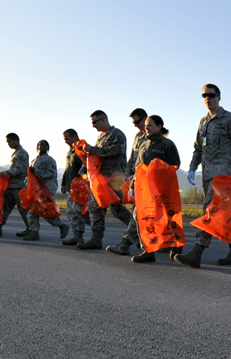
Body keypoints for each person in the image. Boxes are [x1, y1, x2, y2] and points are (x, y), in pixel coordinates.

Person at [176, 84, 231, 269]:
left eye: (211, 95)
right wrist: (193, 167)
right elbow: (198, 148)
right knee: (223, 213)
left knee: (209, 210)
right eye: (204, 95)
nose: (207, 98)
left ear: (219, 97)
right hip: (207, 175)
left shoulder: (230, 119)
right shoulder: (203, 122)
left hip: (223, 176)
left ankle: (197, 252)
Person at [127, 115, 182, 263]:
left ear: (159, 126)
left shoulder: (167, 144)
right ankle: (148, 250)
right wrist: (132, 186)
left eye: (149, 125)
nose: (146, 128)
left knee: (169, 218)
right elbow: (138, 168)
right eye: (145, 126)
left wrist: (158, 168)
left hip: (163, 189)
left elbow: (175, 164)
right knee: (141, 217)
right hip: (145, 190)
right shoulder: (143, 145)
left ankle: (176, 245)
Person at [76, 111, 134, 251]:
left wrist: (94, 149)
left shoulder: (117, 134)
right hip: (100, 178)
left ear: (103, 120)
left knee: (117, 208)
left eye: (94, 122)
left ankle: (136, 233)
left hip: (114, 178)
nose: (93, 126)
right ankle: (96, 239)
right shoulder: (100, 137)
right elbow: (97, 155)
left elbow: (116, 150)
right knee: (95, 208)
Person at [107, 108, 150, 255]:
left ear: (145, 119)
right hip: (136, 179)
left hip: (150, 180)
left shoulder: (155, 134)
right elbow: (133, 159)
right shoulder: (138, 136)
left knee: (139, 213)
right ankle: (148, 242)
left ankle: (125, 244)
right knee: (139, 213)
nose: (135, 125)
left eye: (137, 121)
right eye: (133, 122)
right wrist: (127, 178)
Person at [20, 140, 70, 241]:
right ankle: (34, 232)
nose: (42, 146)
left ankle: (61, 225)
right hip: (35, 189)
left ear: (48, 147)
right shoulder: (34, 160)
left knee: (45, 211)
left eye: (45, 144)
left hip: (46, 189)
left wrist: (37, 171)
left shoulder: (50, 160)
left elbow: (51, 173)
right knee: (32, 210)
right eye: (40, 144)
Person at [60, 129, 90, 245]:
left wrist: (83, 182)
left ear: (74, 137)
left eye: (67, 139)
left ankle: (96, 230)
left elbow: (88, 167)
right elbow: (67, 169)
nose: (65, 141)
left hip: (79, 187)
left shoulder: (82, 149)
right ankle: (77, 236)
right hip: (69, 186)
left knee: (79, 211)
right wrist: (63, 183)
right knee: (71, 212)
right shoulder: (70, 152)